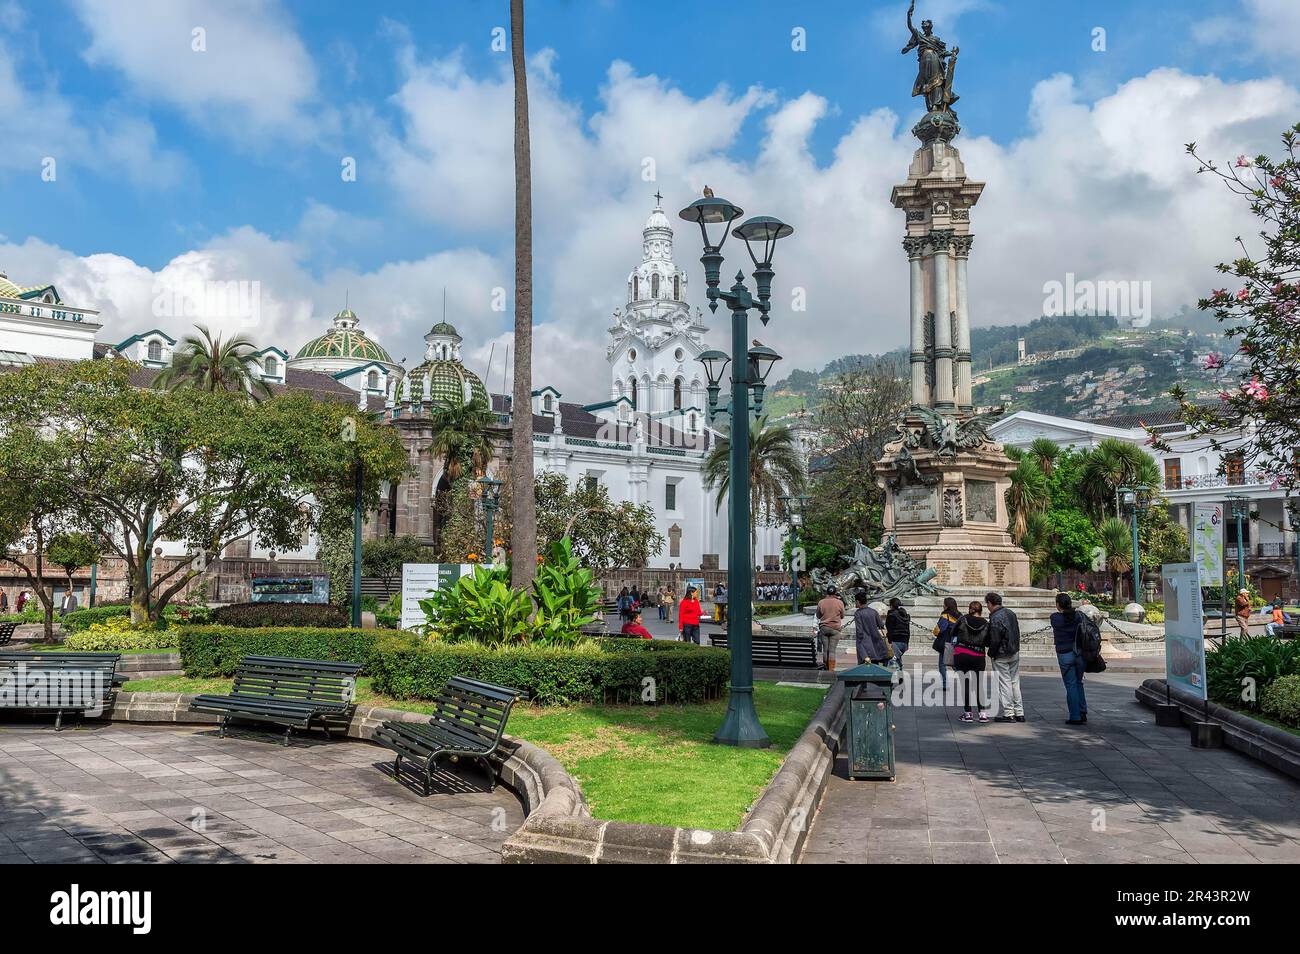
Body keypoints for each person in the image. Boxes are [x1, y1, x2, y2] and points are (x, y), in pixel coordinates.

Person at [1051, 592, 1089, 725]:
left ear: (1058, 605)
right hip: (1079, 653)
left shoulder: (1055, 618)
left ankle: (1075, 716)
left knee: (1071, 684)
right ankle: (1082, 710)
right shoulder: (1078, 616)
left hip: (1065, 654)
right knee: (1078, 682)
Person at [986, 591, 1024, 723]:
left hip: (1001, 653)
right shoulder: (1011, 613)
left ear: (990, 603)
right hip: (1014, 651)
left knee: (1005, 683)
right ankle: (1019, 712)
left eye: (987, 604)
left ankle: (1008, 713)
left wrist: (991, 652)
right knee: (1014, 682)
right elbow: (1017, 631)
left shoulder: (995, 617)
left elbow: (995, 638)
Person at [953, 601, 989, 723]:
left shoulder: (962, 619)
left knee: (965, 685)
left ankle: (968, 714)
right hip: (978, 655)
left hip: (962, 654)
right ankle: (982, 714)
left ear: (970, 609)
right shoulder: (986, 623)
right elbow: (988, 641)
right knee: (979, 685)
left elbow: (953, 632)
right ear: (981, 610)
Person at [853, 591, 889, 665]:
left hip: (865, 644)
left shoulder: (858, 613)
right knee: (876, 663)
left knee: (865, 665)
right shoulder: (873, 611)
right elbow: (881, 624)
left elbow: (859, 630)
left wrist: (859, 643)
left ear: (858, 601)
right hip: (876, 641)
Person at [932, 596, 961, 687]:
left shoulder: (945, 616)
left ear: (947, 606)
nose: (943, 606)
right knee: (954, 663)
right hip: (956, 642)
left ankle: (945, 683)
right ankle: (964, 678)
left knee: (942, 664)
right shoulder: (960, 616)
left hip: (946, 642)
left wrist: (935, 632)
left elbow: (939, 629)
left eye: (944, 604)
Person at [815, 585, 846, 670]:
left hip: (824, 628)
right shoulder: (839, 602)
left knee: (825, 650)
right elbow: (842, 616)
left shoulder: (821, 602)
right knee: (832, 651)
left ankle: (825, 667)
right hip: (835, 629)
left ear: (827, 592)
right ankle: (831, 669)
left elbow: (818, 615)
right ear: (835, 593)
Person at [885, 597, 911, 669]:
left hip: (895, 641)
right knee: (898, 660)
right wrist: (907, 643)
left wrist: (889, 642)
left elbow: (890, 630)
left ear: (891, 606)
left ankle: (893, 678)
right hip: (904, 642)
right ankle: (900, 677)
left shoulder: (891, 615)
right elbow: (908, 630)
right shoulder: (905, 615)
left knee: (892, 661)